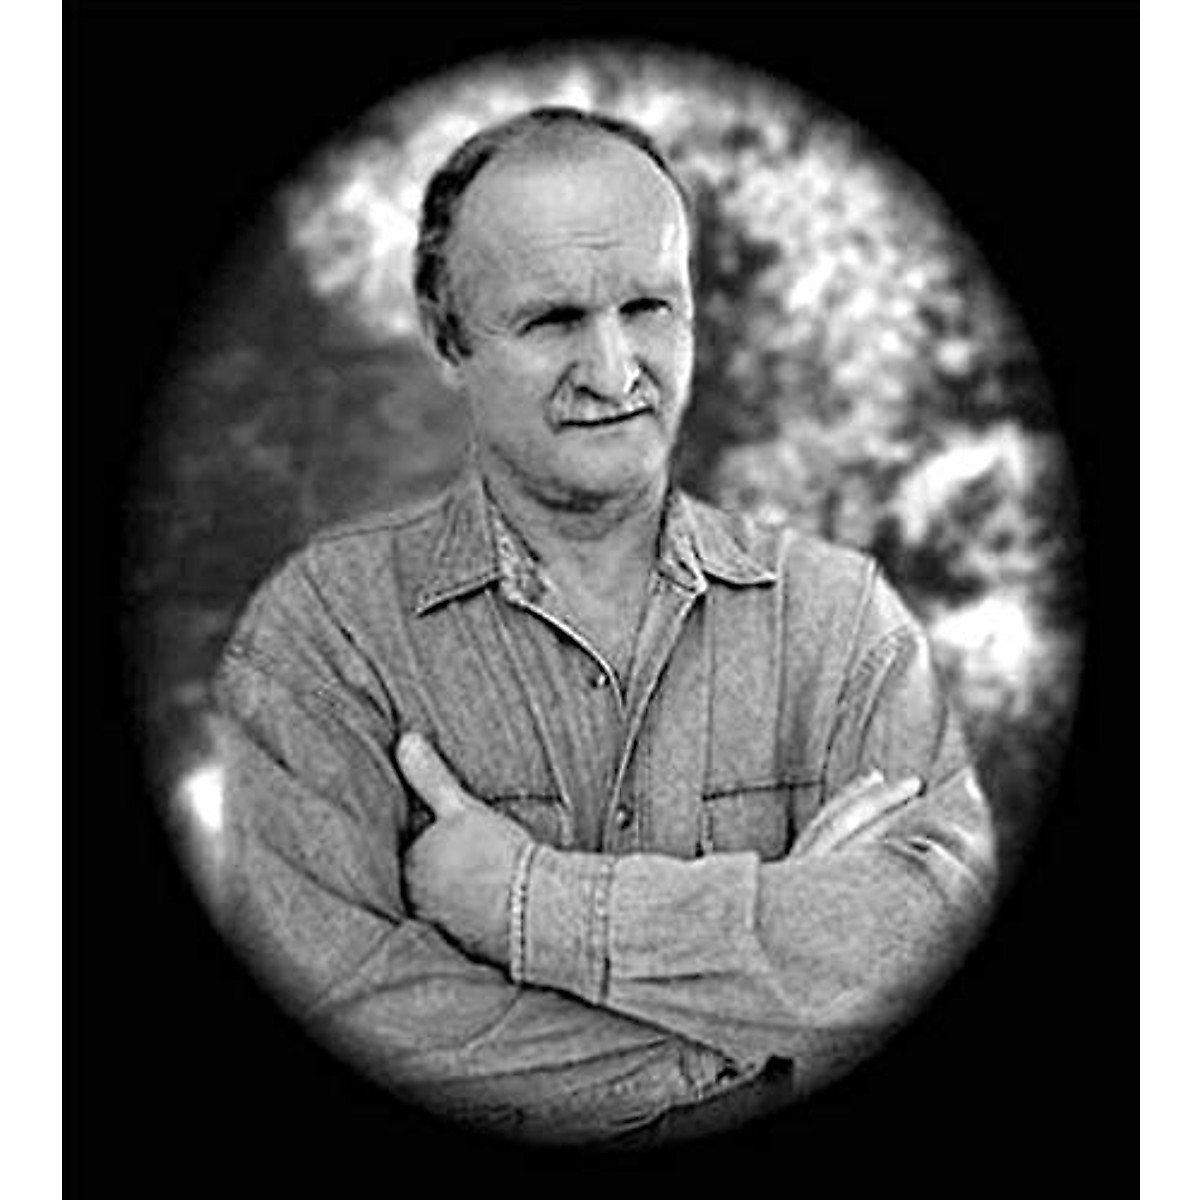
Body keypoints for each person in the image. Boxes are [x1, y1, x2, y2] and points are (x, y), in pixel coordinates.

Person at [214, 106, 996, 1149]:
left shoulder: (839, 616)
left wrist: (528, 905)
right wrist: (757, 1024)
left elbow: (932, 937)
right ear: (448, 338)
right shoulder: (324, 635)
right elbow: (343, 1010)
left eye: (649, 307)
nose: (616, 369)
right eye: (552, 322)